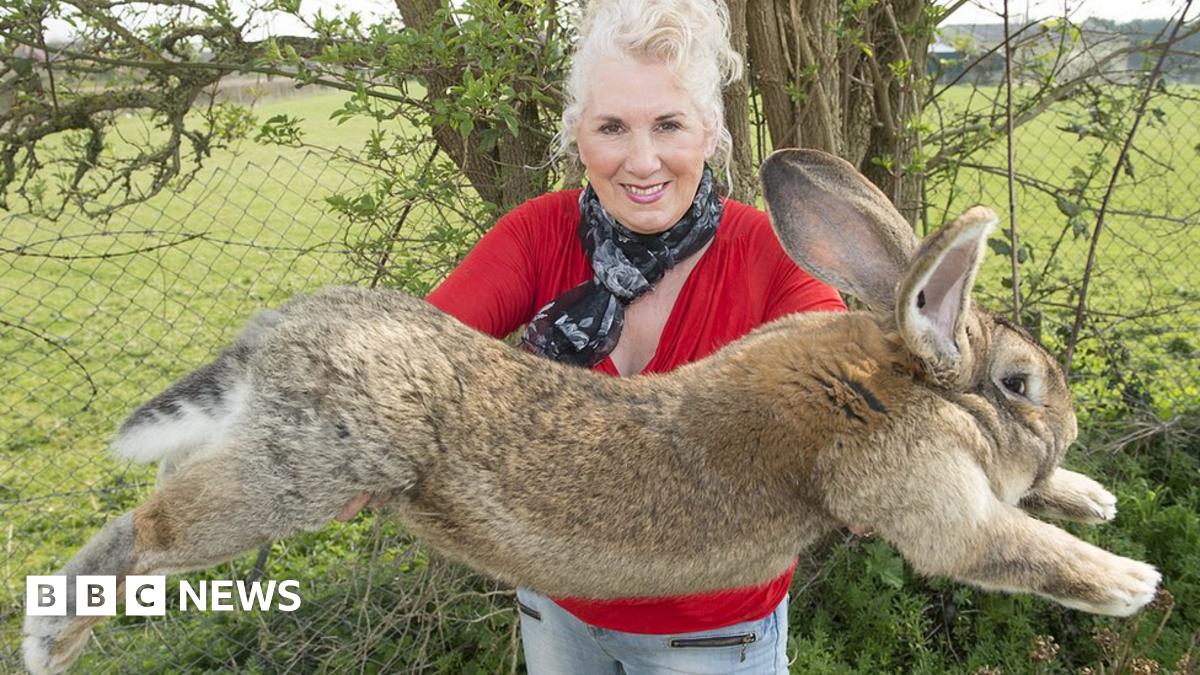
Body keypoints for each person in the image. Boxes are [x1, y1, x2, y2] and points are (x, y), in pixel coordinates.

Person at [426, 0, 845, 672]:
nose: (642, 161)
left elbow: (852, 393)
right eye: (613, 127)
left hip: (712, 635)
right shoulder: (539, 235)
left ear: (709, 132)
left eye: (669, 125)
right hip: (558, 607)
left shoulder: (768, 259)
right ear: (578, 136)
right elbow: (410, 355)